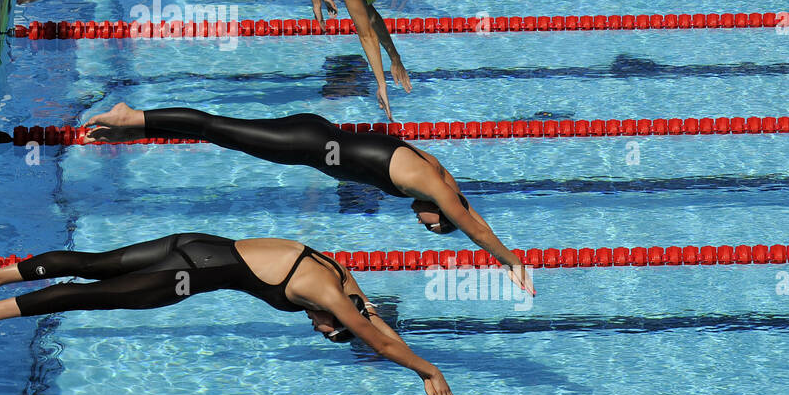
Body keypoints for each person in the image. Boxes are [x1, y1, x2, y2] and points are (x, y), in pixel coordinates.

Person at [0, 232, 458, 395]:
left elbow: (376, 327)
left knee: (91, 263)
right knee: (90, 297)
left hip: (195, 244)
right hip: (188, 275)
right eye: (330, 331)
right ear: (335, 318)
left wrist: (410, 353)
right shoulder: (325, 295)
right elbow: (375, 339)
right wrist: (427, 370)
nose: (323, 331)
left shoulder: (342, 279)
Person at [83, 102, 534, 294]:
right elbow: (473, 222)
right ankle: (132, 116)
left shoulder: (436, 171)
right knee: (215, 128)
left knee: (223, 136)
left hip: (314, 134)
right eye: (434, 225)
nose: (424, 225)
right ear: (440, 211)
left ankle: (132, 126)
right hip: (306, 143)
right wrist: (511, 262)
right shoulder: (432, 188)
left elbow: (464, 205)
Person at [18, 0, 411, 109]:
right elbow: (363, 28)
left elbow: (372, 21)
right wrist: (380, 82)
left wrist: (396, 59)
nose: (350, 4)